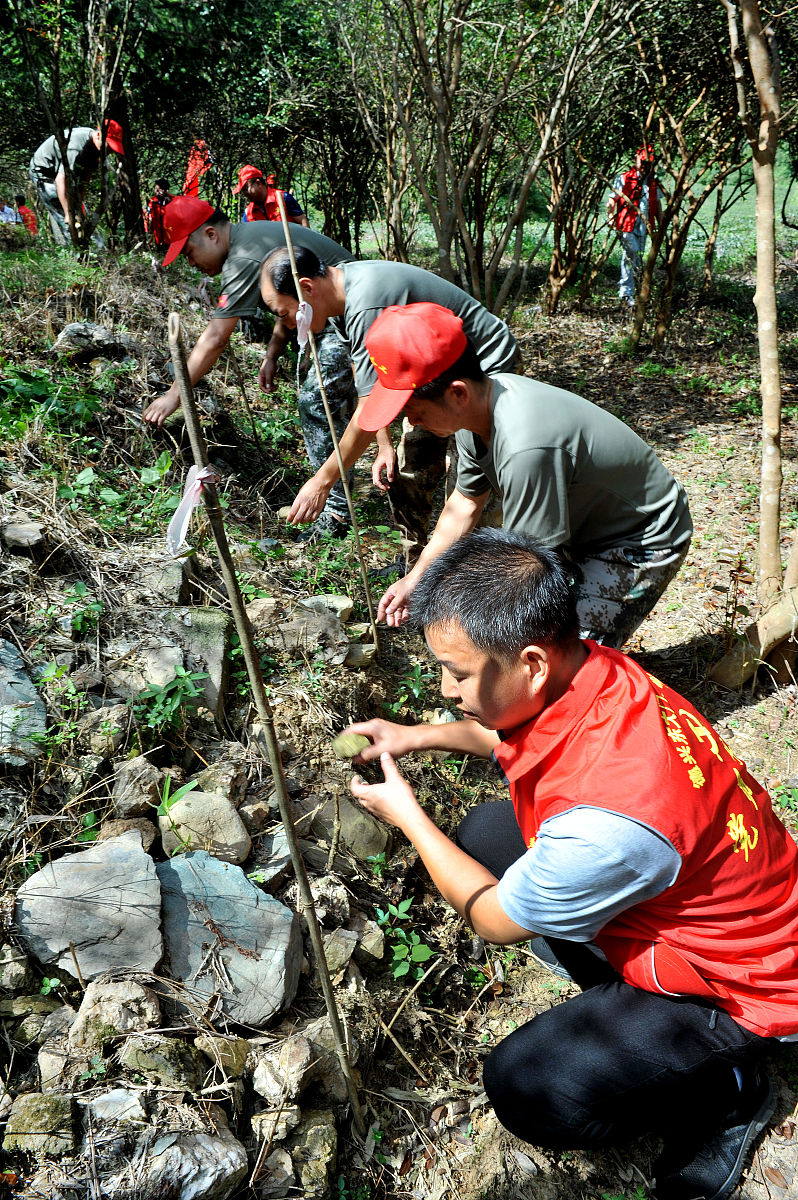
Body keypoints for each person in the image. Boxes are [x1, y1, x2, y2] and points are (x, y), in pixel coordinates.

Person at [345, 528, 798, 1200]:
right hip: (711, 906)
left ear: (530, 662)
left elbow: (494, 921)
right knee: (490, 831)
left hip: (740, 980)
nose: (445, 689)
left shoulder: (608, 825)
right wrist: (420, 737)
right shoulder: (597, 671)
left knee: (525, 1087)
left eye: (460, 673)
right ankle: (628, 989)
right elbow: (514, 734)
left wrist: (410, 817)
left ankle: (727, 1092)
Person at [358, 303, 691, 646]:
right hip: (583, 530)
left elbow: (529, 566)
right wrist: (417, 578)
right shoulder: (475, 412)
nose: (410, 423)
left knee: (559, 650)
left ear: (457, 392)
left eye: (414, 411)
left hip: (642, 536)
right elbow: (463, 506)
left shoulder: (525, 446)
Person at [141, 195, 379, 541]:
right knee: (326, 402)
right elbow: (290, 302)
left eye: (189, 252)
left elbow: (216, 338)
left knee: (317, 403)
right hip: (332, 314)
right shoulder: (252, 239)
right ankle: (343, 485)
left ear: (210, 234)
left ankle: (336, 512)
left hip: (350, 315)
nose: (190, 263)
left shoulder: (241, 255)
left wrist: (174, 395)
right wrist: (272, 355)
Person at [259, 248, 520, 562]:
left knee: (467, 484)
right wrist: (383, 444)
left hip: (479, 366)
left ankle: (465, 575)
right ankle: (411, 563)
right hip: (424, 375)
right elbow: (371, 377)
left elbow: (366, 404)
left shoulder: (365, 300)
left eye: (284, 312)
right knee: (408, 470)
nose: (288, 323)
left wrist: (323, 480)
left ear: (307, 289)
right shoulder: (340, 299)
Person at [29, 120, 125, 245]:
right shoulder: (75, 145)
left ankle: (93, 249)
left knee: (80, 216)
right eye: (109, 146)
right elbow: (60, 180)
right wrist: (69, 213)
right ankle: (78, 254)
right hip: (44, 174)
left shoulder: (95, 149)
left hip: (62, 177)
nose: (110, 152)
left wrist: (79, 204)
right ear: (98, 135)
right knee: (69, 221)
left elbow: (86, 177)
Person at [607, 143, 661, 309]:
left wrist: (660, 225)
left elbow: (657, 205)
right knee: (630, 255)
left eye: (647, 163)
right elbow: (611, 200)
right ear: (636, 159)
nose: (644, 166)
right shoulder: (624, 178)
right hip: (627, 225)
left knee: (638, 257)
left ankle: (636, 290)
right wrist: (611, 217)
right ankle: (626, 292)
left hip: (644, 227)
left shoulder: (653, 182)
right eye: (642, 162)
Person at [234, 166, 309, 227]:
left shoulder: (283, 198)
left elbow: (303, 221)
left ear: (258, 183)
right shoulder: (248, 213)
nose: (245, 193)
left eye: (246, 188)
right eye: (242, 191)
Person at [145, 178, 173, 247]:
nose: (156, 192)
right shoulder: (153, 201)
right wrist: (150, 234)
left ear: (166, 190)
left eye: (159, 190)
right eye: (155, 190)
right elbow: (150, 218)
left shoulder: (173, 200)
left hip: (171, 238)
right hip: (159, 238)